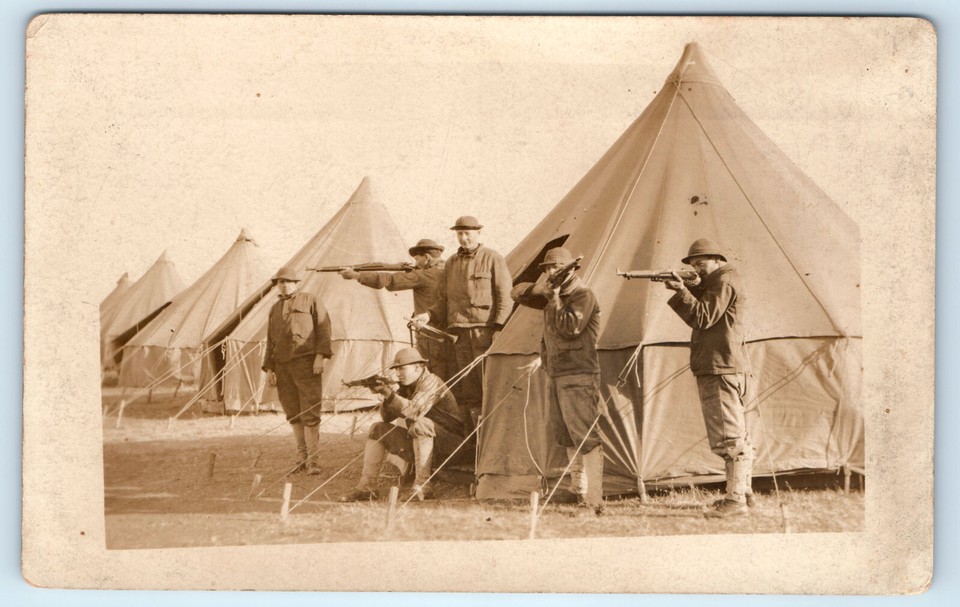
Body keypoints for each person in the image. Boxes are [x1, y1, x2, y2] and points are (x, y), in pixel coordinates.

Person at [663, 238, 754, 518]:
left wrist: (682, 290)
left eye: (701, 264)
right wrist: (688, 287)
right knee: (737, 434)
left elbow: (703, 317)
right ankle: (742, 494)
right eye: (692, 265)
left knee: (729, 437)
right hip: (727, 366)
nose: (696, 269)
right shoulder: (722, 280)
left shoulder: (724, 282)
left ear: (717, 260)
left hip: (719, 368)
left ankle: (736, 501)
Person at [512, 247, 605, 514]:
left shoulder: (582, 295)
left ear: (571, 270)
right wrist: (544, 291)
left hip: (579, 373)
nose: (550, 272)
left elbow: (569, 329)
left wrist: (553, 299)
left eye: (555, 268)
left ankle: (594, 499)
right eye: (547, 269)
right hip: (558, 373)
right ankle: (578, 491)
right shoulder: (556, 293)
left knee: (586, 435)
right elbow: (516, 292)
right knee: (567, 435)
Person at [413, 216, 512, 432]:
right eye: (459, 233)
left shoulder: (493, 258)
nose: (463, 238)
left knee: (488, 384)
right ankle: (471, 438)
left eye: (468, 233)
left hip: (484, 332)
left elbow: (505, 296)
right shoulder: (451, 263)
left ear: (478, 233)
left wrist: (498, 328)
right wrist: (427, 316)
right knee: (467, 387)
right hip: (459, 334)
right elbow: (443, 300)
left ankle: (492, 435)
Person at [339, 348, 469, 502]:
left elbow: (415, 411)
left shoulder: (432, 382)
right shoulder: (406, 386)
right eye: (396, 369)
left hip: (452, 446)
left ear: (418, 367)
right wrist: (386, 395)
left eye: (402, 368)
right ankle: (367, 487)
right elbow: (386, 418)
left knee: (420, 423)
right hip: (423, 444)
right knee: (377, 429)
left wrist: (389, 393)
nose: (398, 374)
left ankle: (422, 486)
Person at [340, 238, 451, 379]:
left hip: (430, 336)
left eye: (417, 260)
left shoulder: (427, 274)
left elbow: (392, 280)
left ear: (427, 258)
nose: (416, 264)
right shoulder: (447, 269)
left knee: (431, 375)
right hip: (444, 332)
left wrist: (357, 275)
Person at [261, 266, 333, 475]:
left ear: (296, 283)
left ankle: (313, 460)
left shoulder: (311, 300)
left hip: (306, 363)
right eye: (280, 281)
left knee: (310, 411)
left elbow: (324, 328)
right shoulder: (274, 309)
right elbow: (270, 340)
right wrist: (269, 369)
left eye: (288, 281)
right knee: (293, 413)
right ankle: (301, 458)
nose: (284, 284)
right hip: (282, 367)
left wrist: (320, 356)